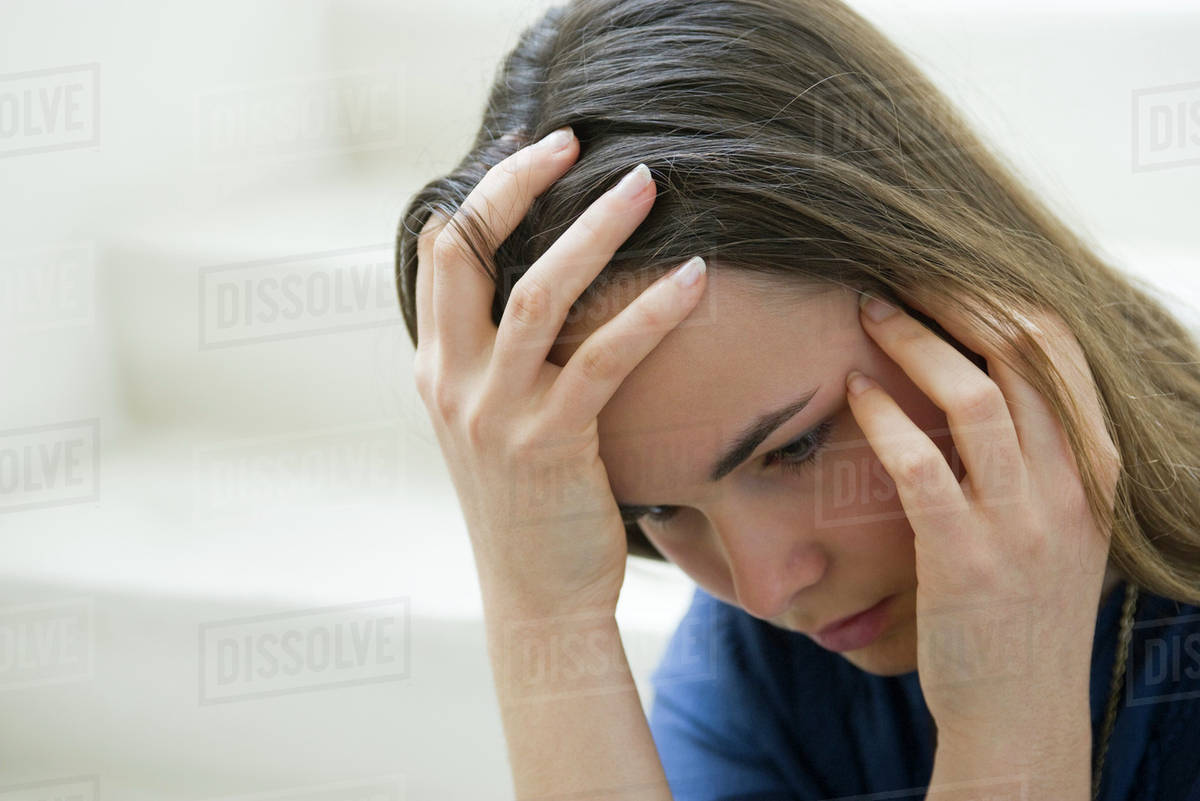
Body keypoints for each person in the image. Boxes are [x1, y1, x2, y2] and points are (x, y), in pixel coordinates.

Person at [394, 1, 1200, 799]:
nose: (766, 588)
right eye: (658, 510)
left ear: (974, 304)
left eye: (796, 447)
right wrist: (544, 610)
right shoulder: (759, 665)